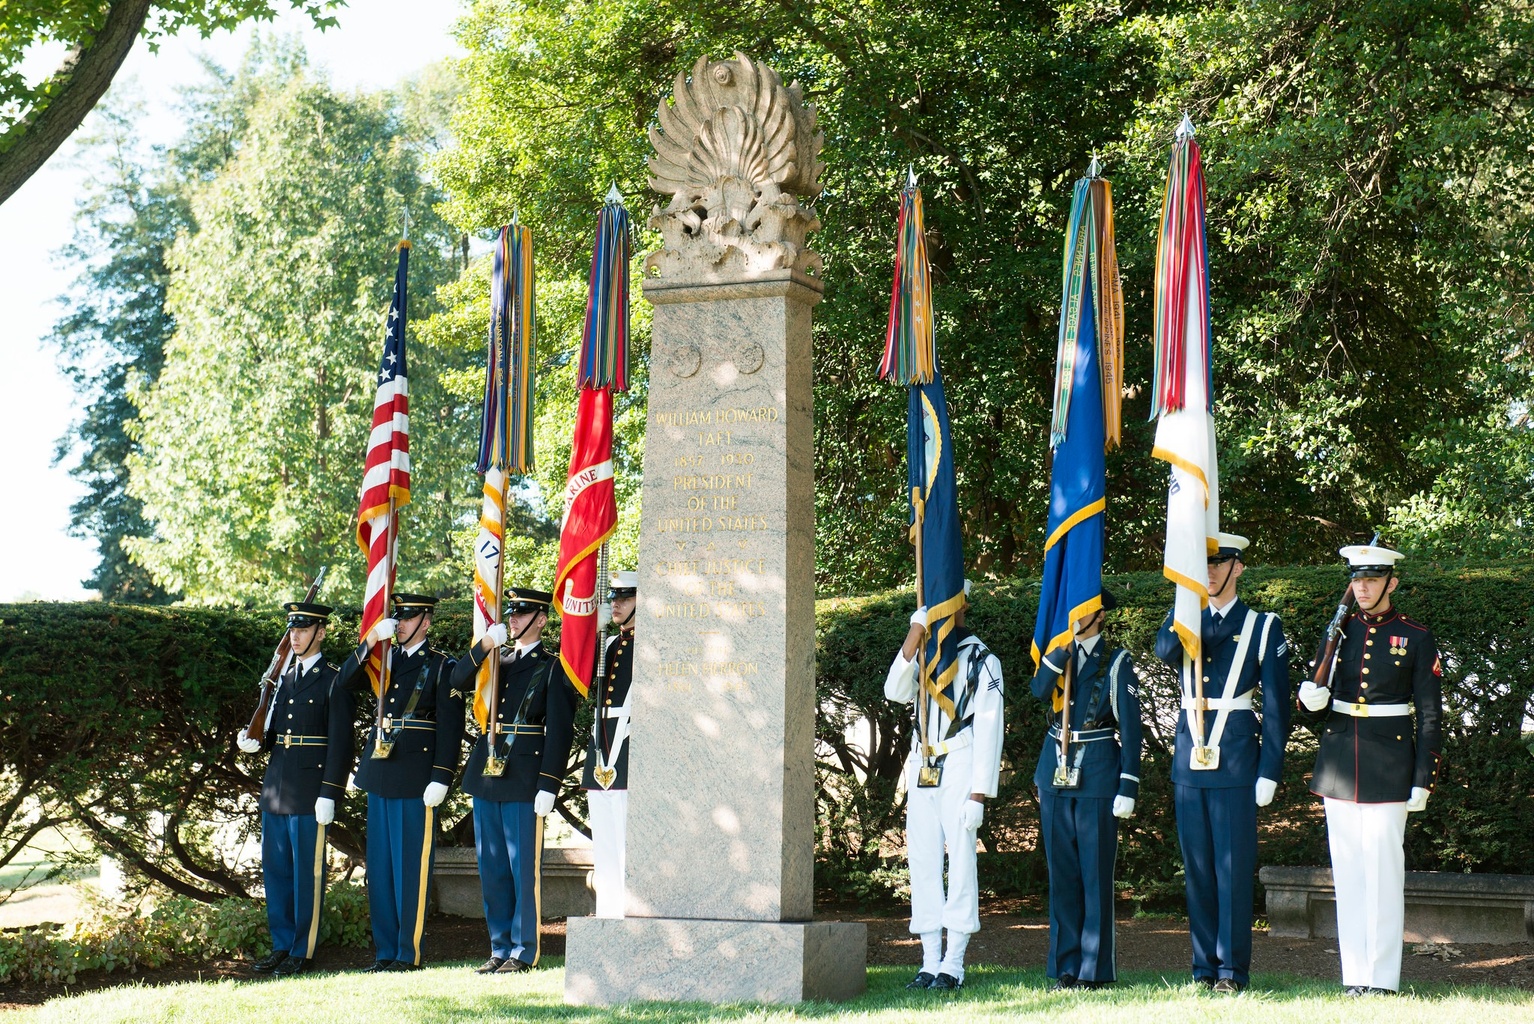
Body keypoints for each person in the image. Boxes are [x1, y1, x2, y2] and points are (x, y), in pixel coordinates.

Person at [1297, 545, 1442, 995]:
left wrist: (1423, 778)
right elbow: (1316, 699)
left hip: (1389, 763)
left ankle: (1382, 979)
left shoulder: (1414, 636)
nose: (1362, 588)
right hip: (1340, 760)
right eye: (1357, 579)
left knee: (1383, 872)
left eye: (1372, 579)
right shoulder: (1339, 632)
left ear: (1390, 583)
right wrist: (1309, 701)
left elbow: (1430, 714)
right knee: (1348, 873)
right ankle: (1355, 977)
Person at [1155, 532, 1290, 993]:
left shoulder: (1261, 625)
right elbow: (1165, 651)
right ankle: (1203, 968)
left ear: (1238, 567)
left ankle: (1230, 970)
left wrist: (1270, 769)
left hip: (1234, 757)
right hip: (1190, 757)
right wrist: (1187, 603)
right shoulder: (1184, 616)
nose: (1210, 571)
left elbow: (1277, 707)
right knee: (1197, 869)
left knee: (1232, 869)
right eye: (1204, 563)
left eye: (1219, 563)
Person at [885, 582, 1005, 991]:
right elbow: (894, 691)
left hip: (959, 761)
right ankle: (929, 960)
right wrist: (915, 631)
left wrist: (978, 793)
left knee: (961, 864)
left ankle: (953, 962)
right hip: (922, 763)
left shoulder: (982, 659)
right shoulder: (924, 653)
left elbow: (990, 728)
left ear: (962, 605)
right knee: (922, 860)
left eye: (946, 605)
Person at [450, 586, 575, 973]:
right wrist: (486, 644)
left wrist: (549, 783)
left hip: (524, 777)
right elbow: (456, 679)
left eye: (521, 614)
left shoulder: (552, 667)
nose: (513, 619)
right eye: (511, 613)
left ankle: (522, 950)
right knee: (492, 868)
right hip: (487, 775)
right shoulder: (495, 660)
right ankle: (499, 946)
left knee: (522, 869)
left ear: (541, 620)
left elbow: (560, 731)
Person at [1030, 590, 1142, 990]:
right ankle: (1066, 965)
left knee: (1094, 875)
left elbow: (1131, 728)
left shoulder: (1116, 662)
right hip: (1055, 770)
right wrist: (1059, 654)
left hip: (1096, 772)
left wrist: (1129, 782)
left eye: (1084, 608)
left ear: (1099, 615)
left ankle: (1093, 969)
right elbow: (1038, 690)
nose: (1075, 615)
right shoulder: (1058, 654)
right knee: (1062, 875)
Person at [346, 593, 462, 972]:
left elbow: (451, 727)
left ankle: (407, 953)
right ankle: (384, 952)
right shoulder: (383, 660)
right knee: (380, 867)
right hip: (380, 771)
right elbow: (343, 683)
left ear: (425, 622)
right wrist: (369, 642)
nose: (399, 624)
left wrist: (441, 776)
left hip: (415, 777)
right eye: (397, 617)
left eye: (408, 618)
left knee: (409, 867)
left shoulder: (442, 666)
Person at [237, 600, 354, 977]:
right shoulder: (283, 678)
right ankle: (282, 944)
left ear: (321, 632)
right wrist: (255, 741)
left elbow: (341, 745)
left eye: (303, 630)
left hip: (309, 791)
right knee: (277, 872)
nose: (296, 636)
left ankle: (303, 950)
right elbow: (276, 731)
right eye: (292, 629)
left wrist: (330, 793)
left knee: (307, 875)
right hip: (277, 788)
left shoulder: (334, 679)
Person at [580, 570, 637, 919]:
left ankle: (630, 911)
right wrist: (593, 634)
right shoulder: (610, 644)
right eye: (614, 598)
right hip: (601, 740)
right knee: (604, 837)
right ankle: (609, 911)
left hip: (628, 742)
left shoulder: (650, 645)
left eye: (625, 598)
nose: (616, 604)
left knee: (626, 837)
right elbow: (580, 679)